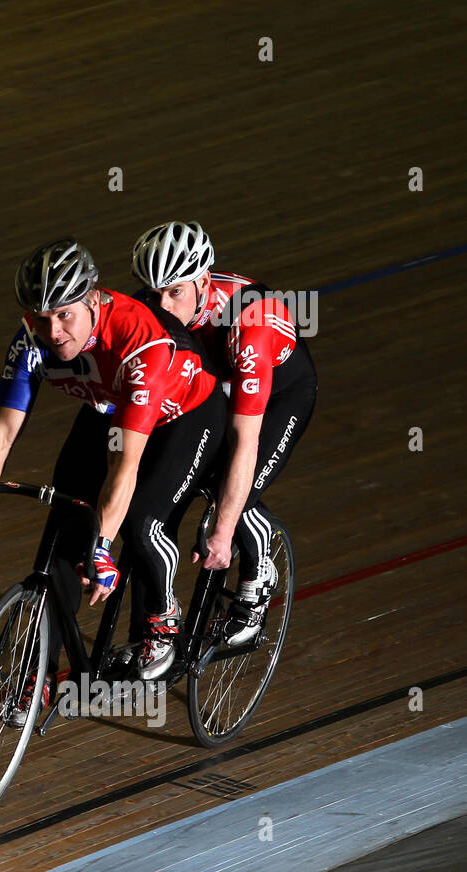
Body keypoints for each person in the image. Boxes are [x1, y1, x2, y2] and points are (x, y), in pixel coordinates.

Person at [0, 237, 225, 697]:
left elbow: (125, 460)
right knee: (65, 533)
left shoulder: (139, 343)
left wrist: (105, 545)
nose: (53, 332)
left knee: (139, 521)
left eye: (65, 315)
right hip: (109, 409)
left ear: (93, 300)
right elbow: (3, 430)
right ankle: (38, 674)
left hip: (184, 416)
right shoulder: (32, 339)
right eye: (41, 318)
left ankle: (163, 623)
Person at [131, 221, 317, 644]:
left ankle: (256, 575)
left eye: (175, 292)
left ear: (202, 282)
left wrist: (223, 529)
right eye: (152, 292)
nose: (161, 305)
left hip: (277, 399)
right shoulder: (159, 302)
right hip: (220, 384)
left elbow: (246, 441)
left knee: (232, 490)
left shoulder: (249, 324)